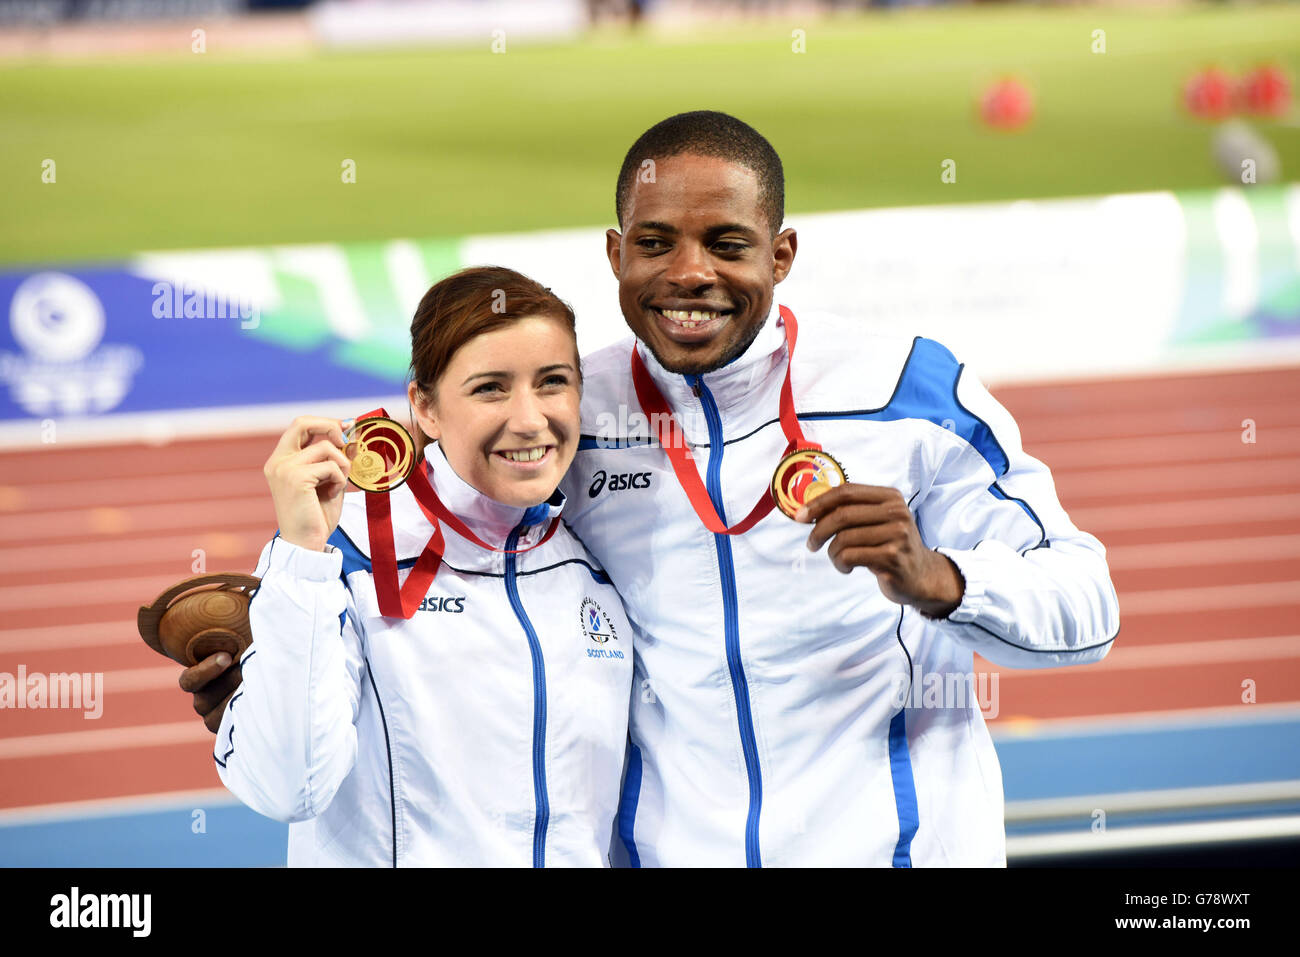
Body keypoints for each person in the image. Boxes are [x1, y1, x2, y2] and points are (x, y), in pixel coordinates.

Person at [187, 111, 1120, 867]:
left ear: (781, 253)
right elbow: (427, 508)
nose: (690, 274)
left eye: (727, 242)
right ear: (614, 253)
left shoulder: (907, 392)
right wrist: (279, 679)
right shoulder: (568, 406)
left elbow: (1089, 604)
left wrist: (946, 581)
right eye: (657, 242)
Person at [210, 265, 633, 866]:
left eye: (552, 382)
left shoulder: (594, 565)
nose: (531, 418)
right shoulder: (345, 557)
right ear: (425, 409)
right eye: (490, 388)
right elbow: (289, 787)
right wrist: (300, 561)